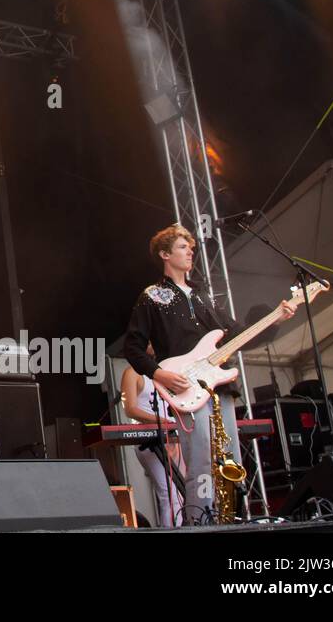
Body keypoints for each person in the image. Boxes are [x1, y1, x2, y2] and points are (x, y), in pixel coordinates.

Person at [123, 223, 297, 523]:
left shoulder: (204, 296)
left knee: (230, 457)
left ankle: (233, 519)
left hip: (219, 386)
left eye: (191, 247)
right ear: (164, 254)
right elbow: (133, 347)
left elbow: (236, 336)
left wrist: (276, 319)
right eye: (182, 247)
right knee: (201, 459)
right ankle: (200, 524)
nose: (190, 251)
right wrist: (159, 374)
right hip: (186, 387)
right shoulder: (152, 296)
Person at [120, 346, 185, 527]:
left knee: (182, 493)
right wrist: (163, 421)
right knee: (169, 495)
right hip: (151, 440)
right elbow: (130, 409)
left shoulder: (167, 371)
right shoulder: (132, 372)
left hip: (174, 436)